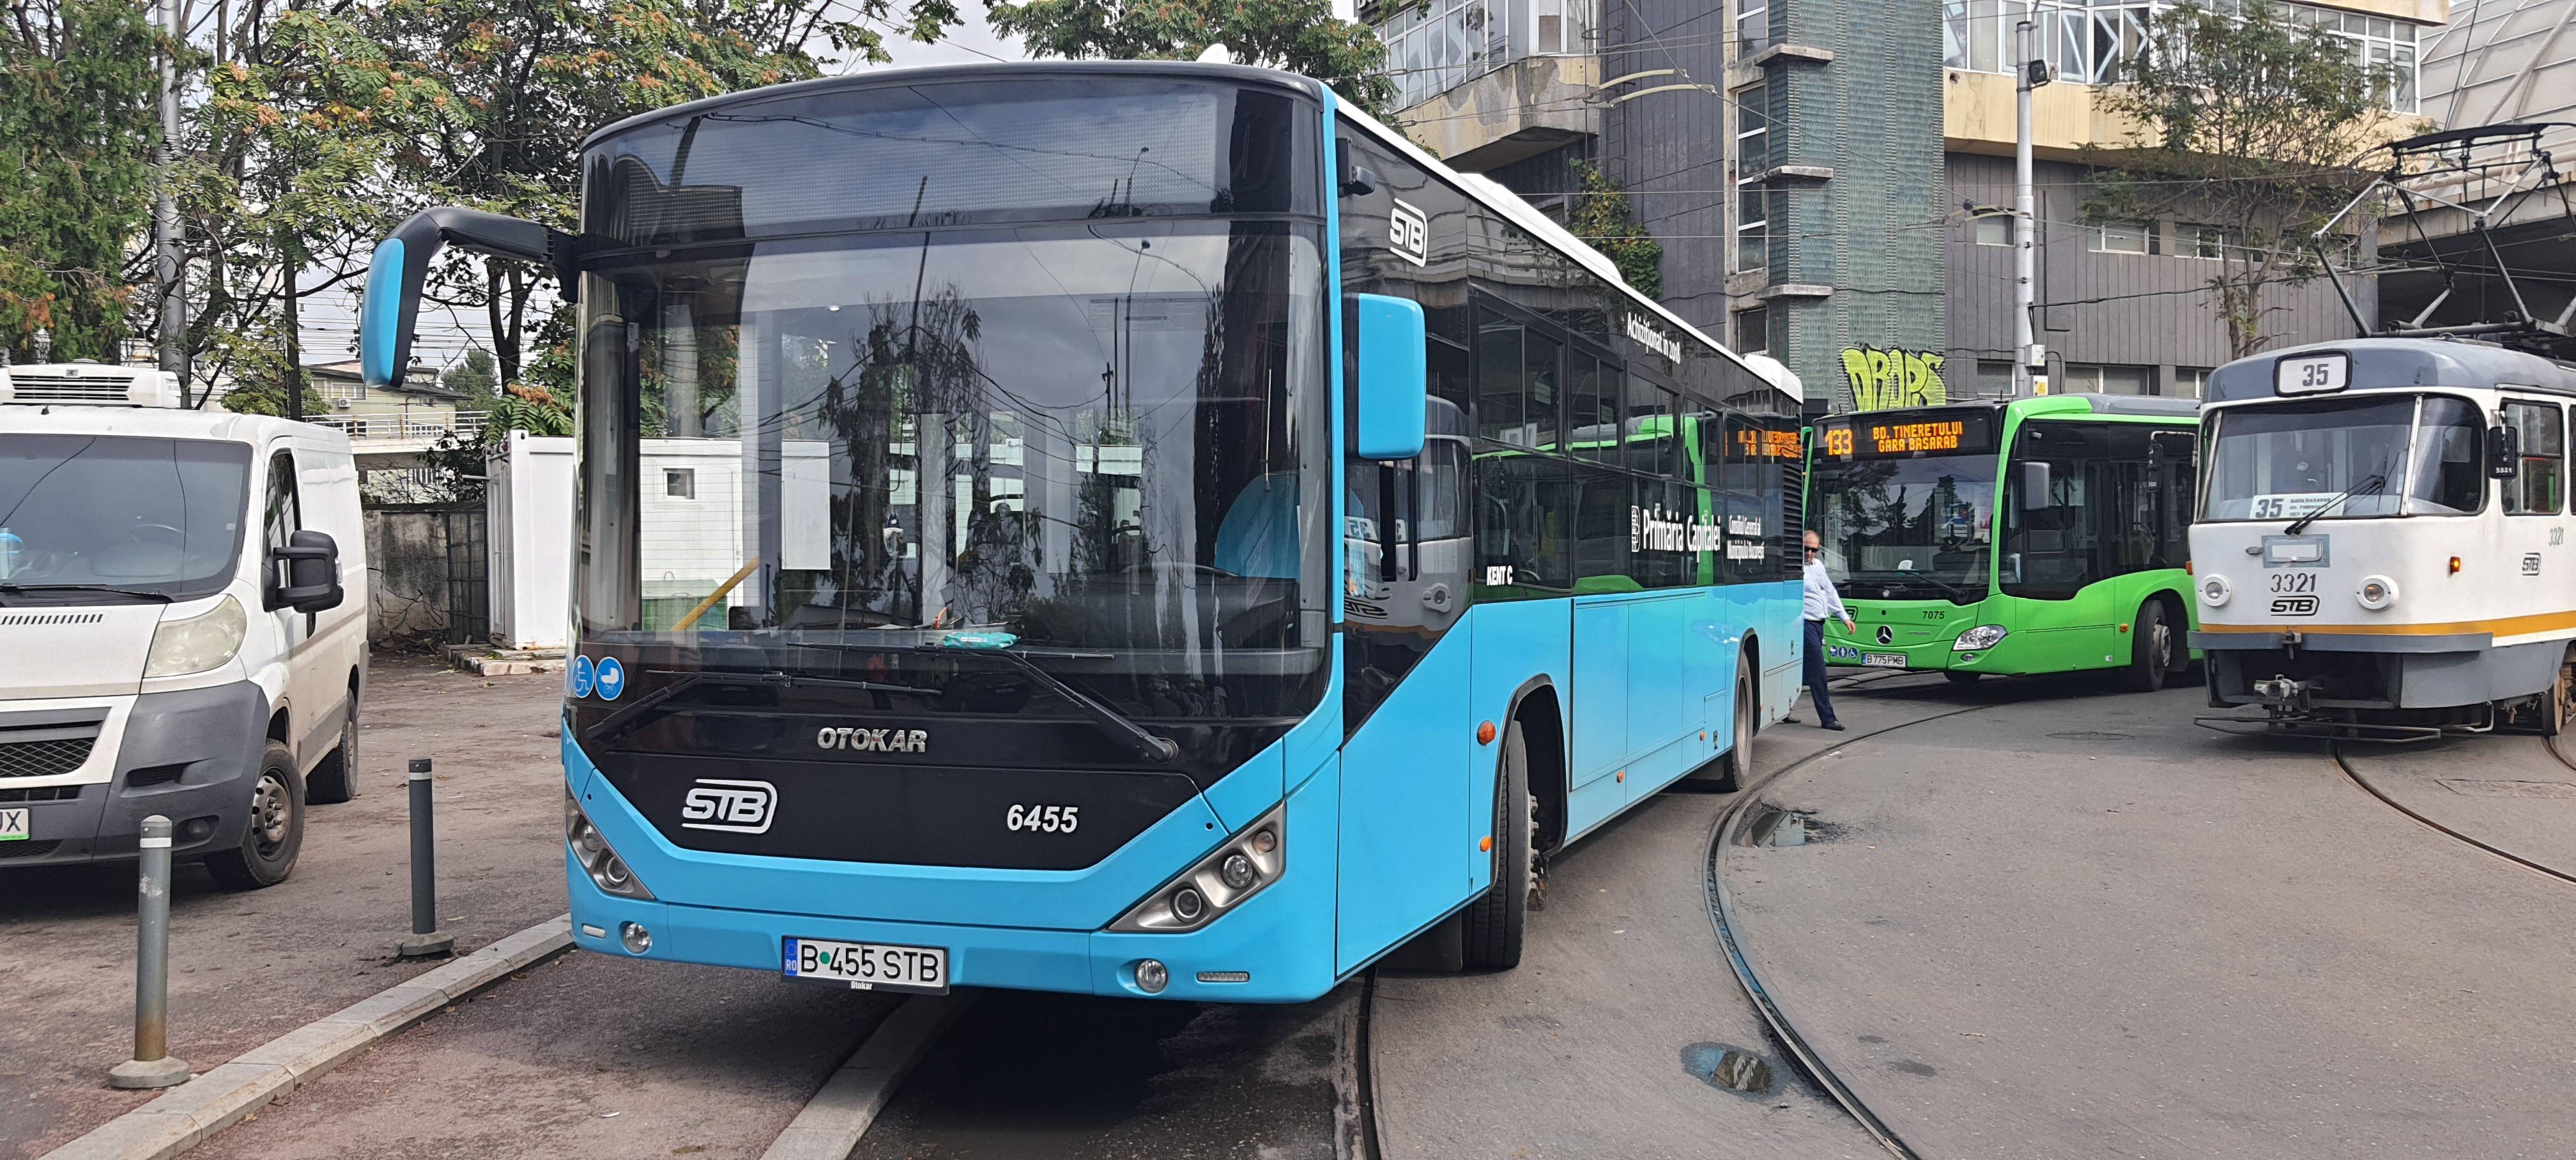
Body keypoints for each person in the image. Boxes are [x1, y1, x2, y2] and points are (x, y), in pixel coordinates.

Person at [1793, 530, 1857, 731]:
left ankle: (1781, 710)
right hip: (1805, 624)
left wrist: (1844, 617)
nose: (1810, 553)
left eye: (1814, 549)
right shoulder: (1794, 568)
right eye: (1806, 548)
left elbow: (1829, 592)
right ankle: (1828, 718)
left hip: (1819, 623)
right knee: (1818, 671)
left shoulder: (1818, 566)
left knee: (1799, 673)